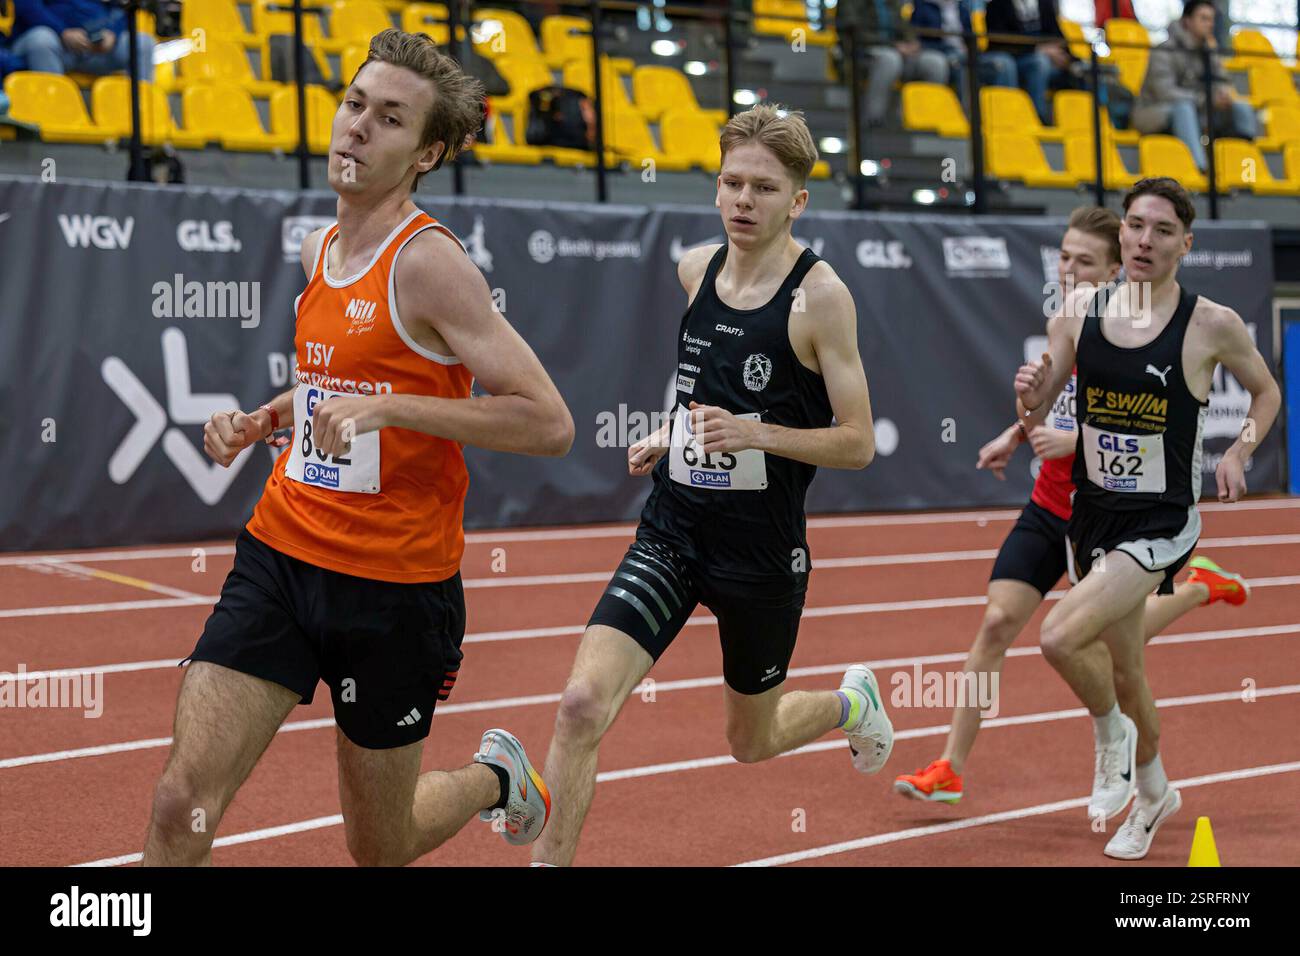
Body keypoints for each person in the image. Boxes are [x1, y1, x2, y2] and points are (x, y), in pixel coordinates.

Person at [141, 29, 575, 866]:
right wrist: (267, 419)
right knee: (177, 803)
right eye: (353, 105)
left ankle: (497, 776)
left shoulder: (432, 266)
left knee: (380, 846)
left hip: (395, 590)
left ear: (428, 152)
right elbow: (330, 383)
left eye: (388, 119)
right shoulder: (320, 247)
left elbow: (548, 422)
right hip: (282, 555)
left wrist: (391, 410)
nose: (357, 129)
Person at [530, 104, 893, 867]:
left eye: (763, 188)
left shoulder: (819, 297)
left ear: (798, 200)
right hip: (674, 533)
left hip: (760, 554)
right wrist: (675, 431)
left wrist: (757, 432)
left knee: (749, 743)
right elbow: (702, 385)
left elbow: (859, 442)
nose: (742, 201)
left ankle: (850, 704)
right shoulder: (695, 268)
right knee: (578, 706)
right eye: (730, 182)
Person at [894, 205, 1251, 808]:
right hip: (1049, 506)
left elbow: (1153, 428)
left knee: (1107, 647)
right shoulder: (1067, 321)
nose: (1067, 268)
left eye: (1084, 260)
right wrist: (1016, 432)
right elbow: (1046, 403)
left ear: (1117, 268)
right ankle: (950, 765)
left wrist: (1076, 440)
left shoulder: (1140, 328)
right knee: (996, 622)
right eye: (1062, 256)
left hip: (1112, 518)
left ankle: (1194, 590)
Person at [1014, 177, 1280, 860]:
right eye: (1135, 226)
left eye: (1162, 230)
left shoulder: (1211, 323)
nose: (1144, 240)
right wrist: (1030, 396)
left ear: (1185, 245)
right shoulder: (1079, 311)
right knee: (1128, 672)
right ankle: (1157, 793)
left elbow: (1265, 392)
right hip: (1092, 516)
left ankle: (1111, 741)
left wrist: (1239, 453)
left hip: (1160, 523)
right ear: (1122, 234)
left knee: (1060, 637)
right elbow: (1041, 411)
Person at [1132, 0, 1257, 171]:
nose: (1210, 24)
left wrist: (1223, 93)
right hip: (1155, 111)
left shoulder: (1207, 51)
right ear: (1187, 21)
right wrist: (1206, 99)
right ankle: (1200, 170)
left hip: (1198, 110)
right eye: (1204, 19)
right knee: (1183, 108)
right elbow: (1164, 92)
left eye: (1211, 19)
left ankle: (1244, 166)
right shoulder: (1164, 50)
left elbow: (1222, 81)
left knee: (1241, 108)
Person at [836, 0, 949, 127]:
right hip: (863, 52)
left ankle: (922, 119)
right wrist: (893, 45)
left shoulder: (892, 2)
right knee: (889, 59)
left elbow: (903, 26)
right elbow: (853, 30)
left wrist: (911, 43)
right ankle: (873, 118)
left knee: (935, 62)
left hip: (896, 51)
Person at [9, 0, 155, 82]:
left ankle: (136, 114)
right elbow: (26, 7)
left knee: (143, 43)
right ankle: (51, 109)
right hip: (53, 47)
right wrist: (62, 32)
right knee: (41, 38)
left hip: (94, 49)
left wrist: (113, 34)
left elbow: (123, 8)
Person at [980, 0, 1074, 123]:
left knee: (1080, 68)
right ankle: (1019, 117)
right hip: (1010, 56)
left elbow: (1058, 37)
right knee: (1031, 63)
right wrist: (1038, 49)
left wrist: (1067, 57)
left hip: (1034, 59)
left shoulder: (1044, 4)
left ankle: (1042, 118)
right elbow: (999, 42)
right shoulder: (997, 5)